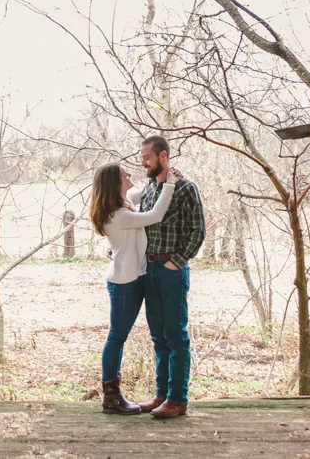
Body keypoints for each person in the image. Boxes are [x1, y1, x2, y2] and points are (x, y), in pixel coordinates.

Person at [88, 161, 181, 414]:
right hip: (124, 283)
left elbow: (147, 193)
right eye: (123, 175)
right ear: (113, 184)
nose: (129, 176)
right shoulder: (117, 215)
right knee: (116, 337)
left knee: (118, 337)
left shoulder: (123, 202)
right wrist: (170, 186)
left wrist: (160, 176)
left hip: (134, 277)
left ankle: (113, 396)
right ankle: (111, 397)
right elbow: (154, 216)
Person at [136, 135, 205, 419]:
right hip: (148, 270)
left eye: (147, 158)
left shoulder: (186, 188)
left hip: (171, 272)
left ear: (163, 156)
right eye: (142, 158)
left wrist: (177, 262)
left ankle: (178, 399)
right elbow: (141, 225)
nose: (143, 163)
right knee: (157, 336)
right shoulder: (150, 190)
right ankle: (161, 394)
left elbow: (197, 231)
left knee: (175, 335)